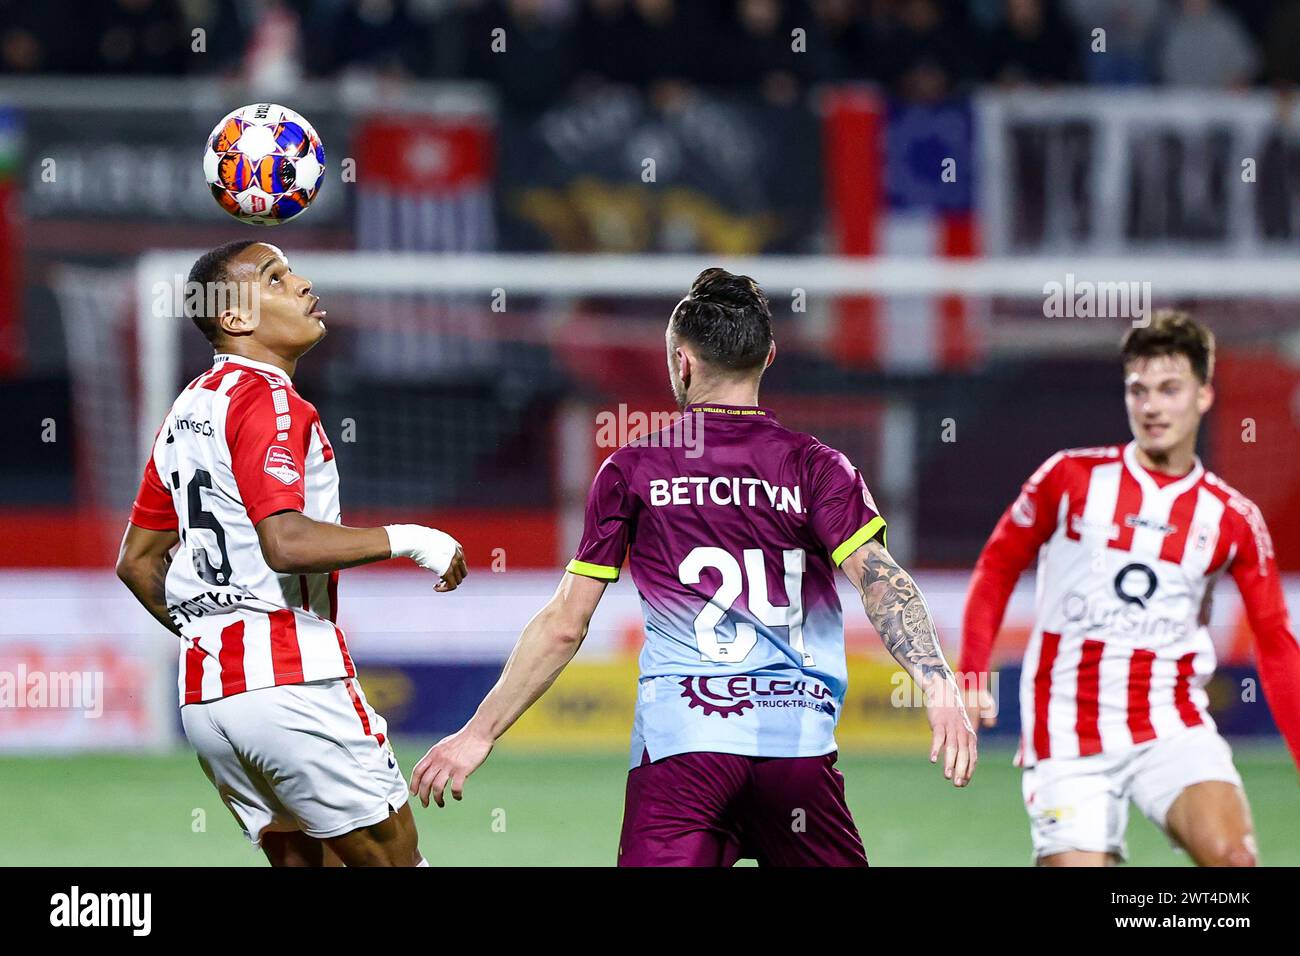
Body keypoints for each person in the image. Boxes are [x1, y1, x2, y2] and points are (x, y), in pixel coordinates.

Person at [410, 267, 975, 866]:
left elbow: (565, 625)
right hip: (796, 757)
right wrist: (940, 686)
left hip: (684, 758)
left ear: (683, 362)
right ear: (770, 357)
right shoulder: (819, 468)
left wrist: (478, 734)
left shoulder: (633, 470)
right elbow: (882, 581)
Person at [116, 239, 468, 866]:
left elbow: (137, 562)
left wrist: (218, 635)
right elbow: (285, 541)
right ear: (235, 318)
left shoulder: (187, 409)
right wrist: (414, 538)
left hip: (208, 697)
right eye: (276, 279)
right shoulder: (268, 398)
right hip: (291, 681)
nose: (304, 284)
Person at [961, 310, 1300, 866]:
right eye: (1138, 390)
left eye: (1170, 389)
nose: (1151, 406)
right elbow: (996, 567)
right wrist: (972, 674)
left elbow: (1277, 643)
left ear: (1204, 396)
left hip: (1171, 724)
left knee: (1235, 862)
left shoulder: (1232, 518)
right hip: (1067, 733)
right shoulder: (1068, 478)